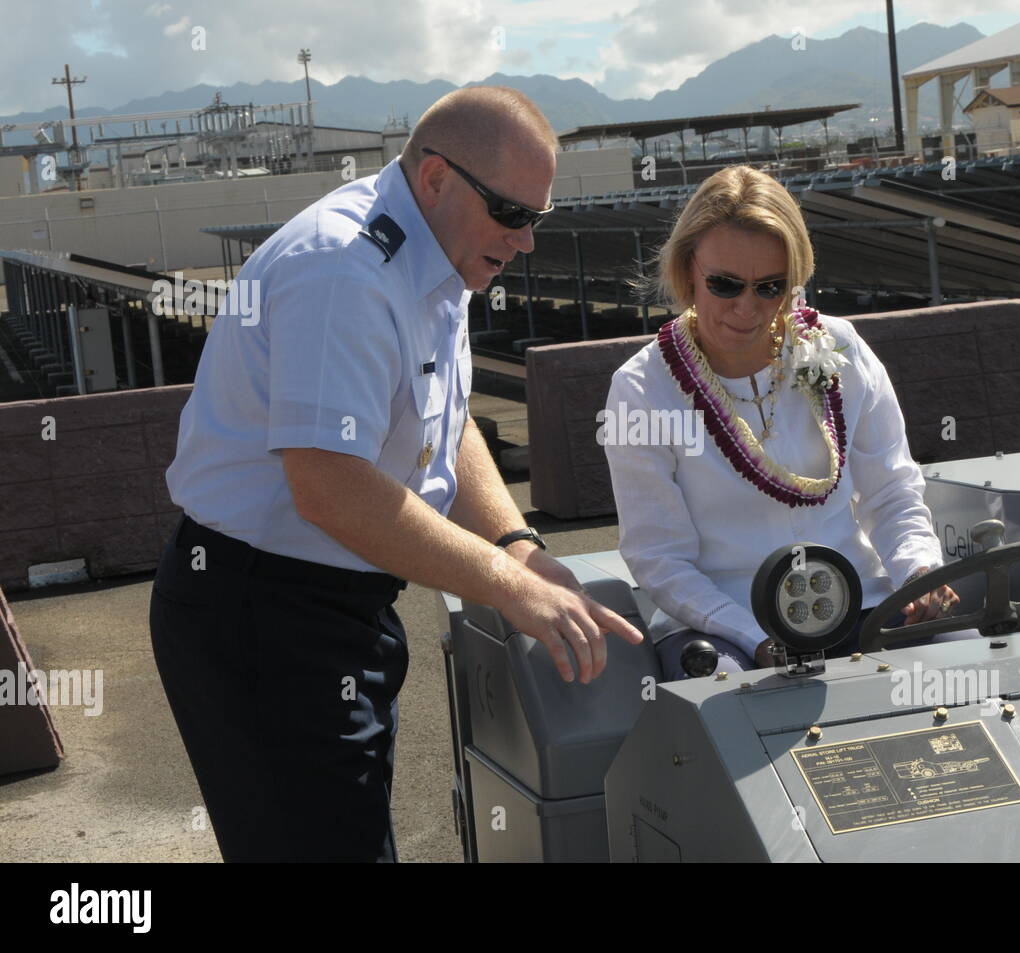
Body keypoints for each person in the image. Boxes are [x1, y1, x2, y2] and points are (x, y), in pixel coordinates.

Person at [150, 86, 642, 862]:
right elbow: (331, 487)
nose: (525, 242)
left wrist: (516, 546)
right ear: (437, 178)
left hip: (334, 604)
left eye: (537, 220)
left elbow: (445, 425)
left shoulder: (435, 254)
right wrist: (507, 587)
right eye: (511, 213)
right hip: (266, 613)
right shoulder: (343, 271)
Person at [603, 164, 957, 680]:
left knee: (965, 665)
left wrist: (917, 572)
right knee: (729, 699)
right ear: (686, 271)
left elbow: (892, 494)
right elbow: (659, 558)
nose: (747, 309)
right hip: (724, 624)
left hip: (857, 600)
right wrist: (756, 637)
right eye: (725, 285)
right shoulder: (641, 389)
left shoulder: (841, 347)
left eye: (771, 287)